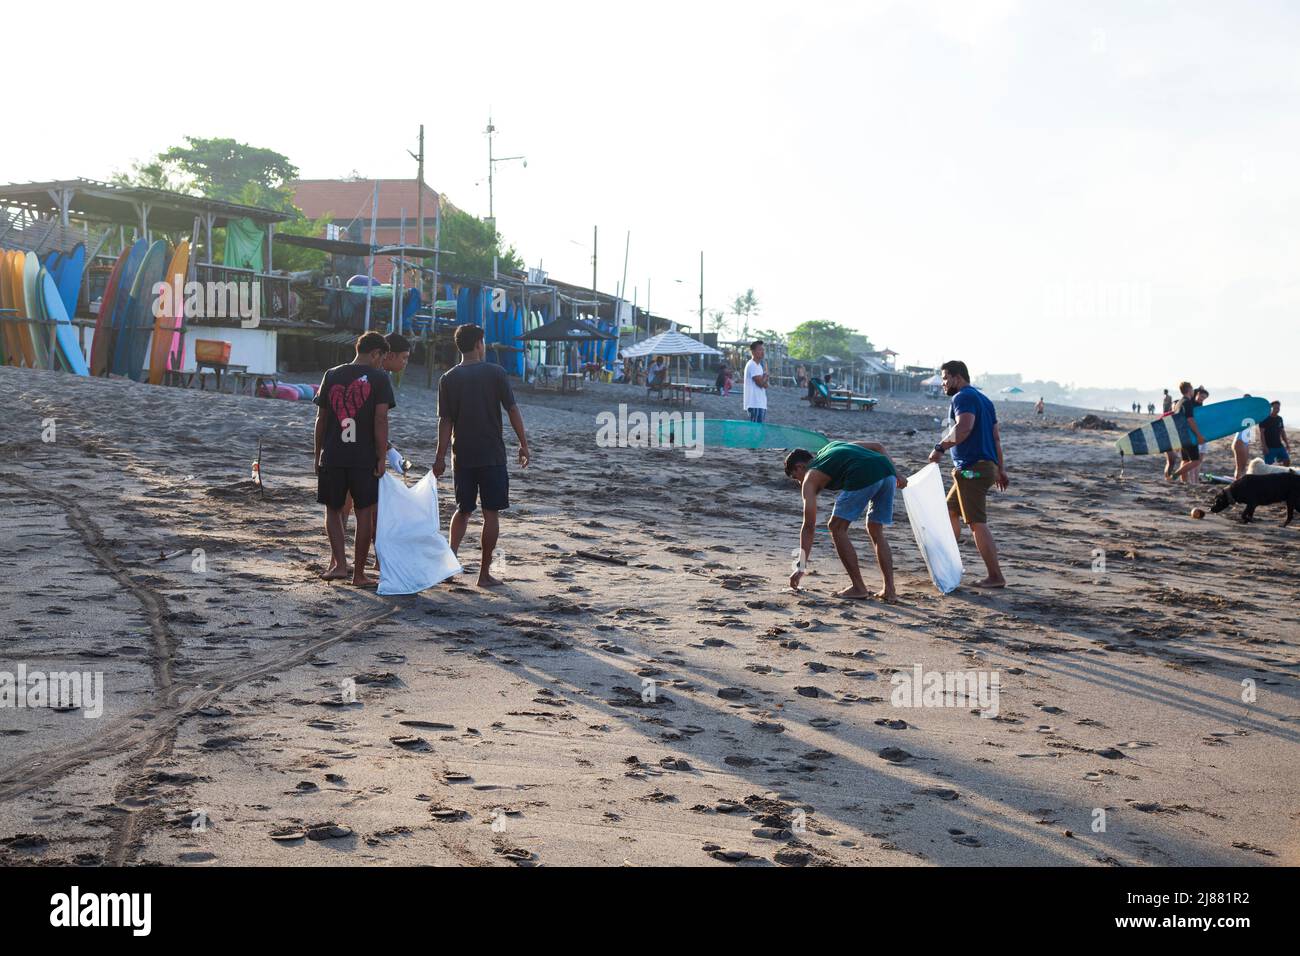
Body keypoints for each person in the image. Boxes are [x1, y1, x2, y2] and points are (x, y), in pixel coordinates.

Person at [433, 324, 531, 588]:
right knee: (491, 513)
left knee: (462, 510)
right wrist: (523, 443)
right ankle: (484, 574)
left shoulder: (448, 378)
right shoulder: (495, 373)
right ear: (479, 344)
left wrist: (440, 457)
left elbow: (445, 422)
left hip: (461, 455)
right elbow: (512, 410)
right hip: (491, 455)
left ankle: (448, 566)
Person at [313, 332, 396, 587]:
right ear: (375, 354)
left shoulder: (332, 374)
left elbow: (321, 419)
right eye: (382, 358)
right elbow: (380, 420)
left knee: (333, 511)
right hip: (363, 457)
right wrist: (382, 457)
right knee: (364, 514)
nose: (382, 363)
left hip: (334, 454)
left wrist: (318, 454)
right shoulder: (380, 378)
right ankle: (359, 574)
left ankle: (339, 565)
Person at [785, 441, 907, 601]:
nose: (799, 483)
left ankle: (858, 587)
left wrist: (800, 566)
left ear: (800, 467)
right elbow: (878, 447)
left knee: (836, 527)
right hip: (887, 472)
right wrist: (897, 473)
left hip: (864, 473)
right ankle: (890, 591)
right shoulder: (832, 447)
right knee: (876, 530)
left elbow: (808, 527)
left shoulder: (809, 477)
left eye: (796, 478)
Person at [928, 360, 1008, 589]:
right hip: (985, 467)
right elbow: (996, 439)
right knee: (950, 511)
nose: (943, 384)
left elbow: (964, 427)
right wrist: (1000, 469)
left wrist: (940, 447)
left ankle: (996, 576)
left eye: (945, 378)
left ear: (956, 377)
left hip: (972, 470)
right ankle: (948, 564)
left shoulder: (962, 397)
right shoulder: (984, 399)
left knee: (976, 523)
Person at [1168, 381, 1206, 483]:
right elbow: (1190, 420)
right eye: (1192, 389)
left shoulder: (1179, 402)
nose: (1193, 390)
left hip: (1181, 435)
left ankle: (1184, 482)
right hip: (1188, 436)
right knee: (1196, 461)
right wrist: (1198, 435)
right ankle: (1175, 475)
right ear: (1189, 390)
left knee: (1185, 460)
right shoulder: (1187, 402)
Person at [743, 340, 769, 423]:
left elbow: (766, 385)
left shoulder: (758, 366)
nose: (762, 352)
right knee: (755, 431)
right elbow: (761, 384)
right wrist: (766, 375)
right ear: (753, 352)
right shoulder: (752, 365)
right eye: (760, 350)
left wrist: (764, 378)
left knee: (757, 431)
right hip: (754, 403)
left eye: (763, 350)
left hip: (759, 403)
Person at [1259, 400, 1290, 466]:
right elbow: (1261, 434)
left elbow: (1282, 432)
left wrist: (1287, 443)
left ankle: (1283, 475)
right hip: (1269, 447)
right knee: (1269, 466)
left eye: (1278, 408)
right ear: (1271, 408)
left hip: (1279, 445)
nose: (1277, 409)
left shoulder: (1279, 418)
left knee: (1287, 460)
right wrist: (1264, 447)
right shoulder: (1264, 418)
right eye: (1275, 408)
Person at [1233, 394, 1255, 481]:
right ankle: (1237, 483)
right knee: (1239, 468)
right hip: (1239, 440)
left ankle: (1239, 483)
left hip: (1245, 441)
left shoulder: (1250, 412)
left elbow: (1251, 429)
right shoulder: (1240, 412)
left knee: (1243, 467)